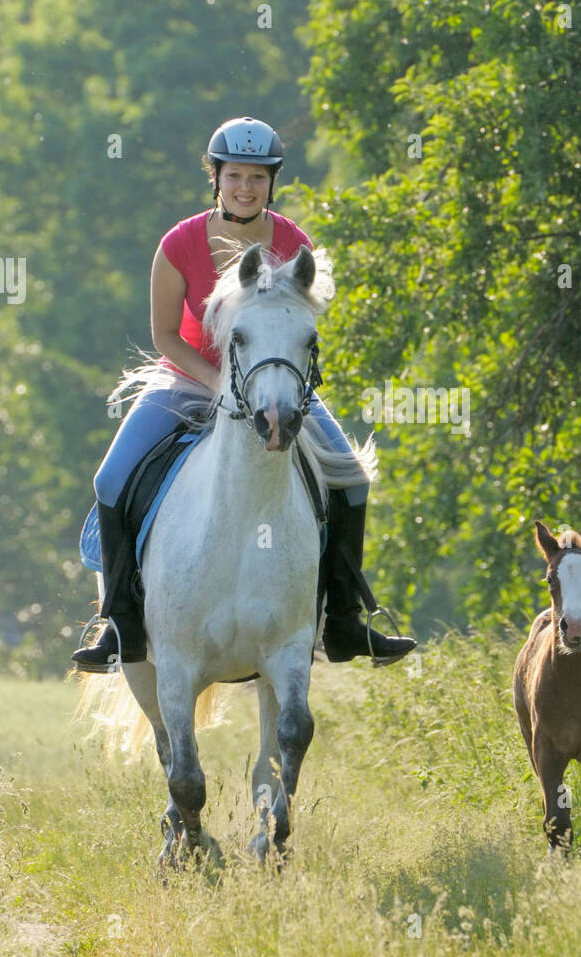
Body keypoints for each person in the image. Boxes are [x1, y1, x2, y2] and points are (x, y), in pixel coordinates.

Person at [72, 115, 416, 672]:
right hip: (187, 381)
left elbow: (300, 327)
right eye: (236, 176)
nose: (246, 188)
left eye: (258, 178)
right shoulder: (178, 244)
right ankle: (119, 623)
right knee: (110, 478)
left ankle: (347, 622)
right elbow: (163, 335)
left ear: (271, 182)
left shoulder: (293, 244)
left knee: (351, 475)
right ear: (216, 178)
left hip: (272, 383)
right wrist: (215, 385)